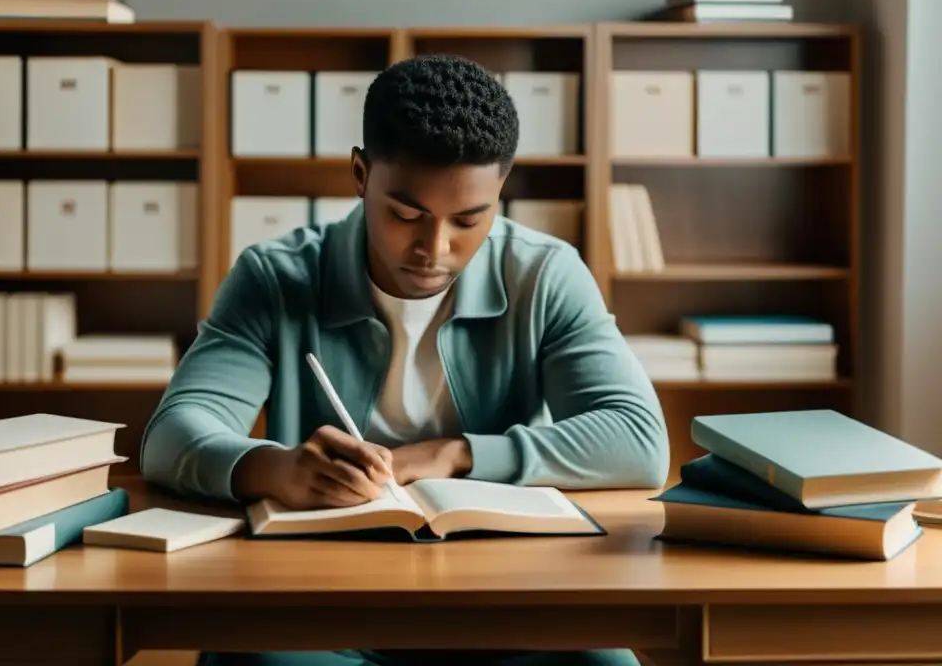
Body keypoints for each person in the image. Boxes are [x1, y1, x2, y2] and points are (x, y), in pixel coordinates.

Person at [140, 54, 670, 666]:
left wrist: (451, 454)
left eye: (470, 219)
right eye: (405, 214)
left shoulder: (544, 274)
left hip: (511, 594)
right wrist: (276, 470)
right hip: (319, 596)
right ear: (361, 174)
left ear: (501, 191)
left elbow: (638, 440)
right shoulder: (276, 277)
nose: (434, 249)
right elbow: (171, 435)